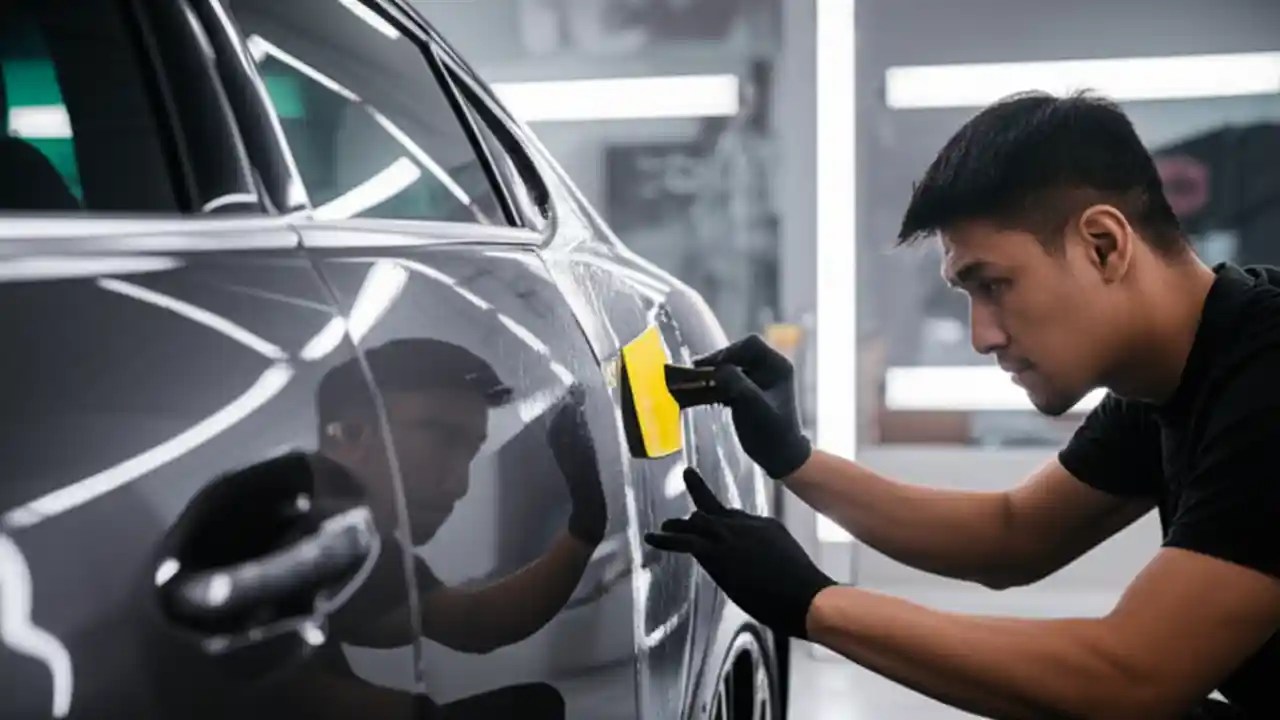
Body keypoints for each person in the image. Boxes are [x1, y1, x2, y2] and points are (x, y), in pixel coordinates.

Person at [649, 92, 1280, 720]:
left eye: (994, 285)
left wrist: (816, 604)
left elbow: (1131, 673)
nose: (983, 336)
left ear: (1104, 246)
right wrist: (796, 460)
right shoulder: (1172, 375)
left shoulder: (1266, 370)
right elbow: (1011, 535)